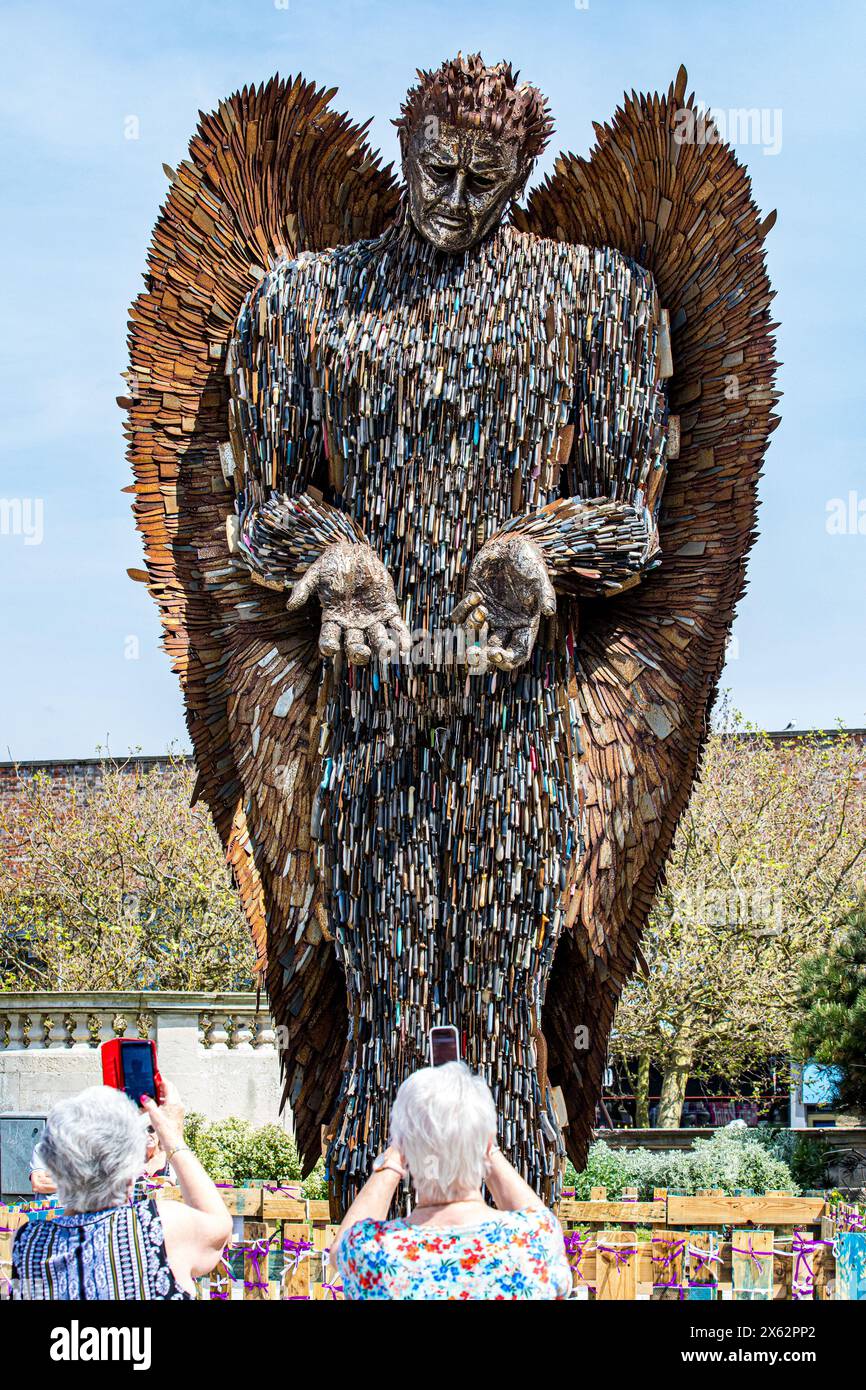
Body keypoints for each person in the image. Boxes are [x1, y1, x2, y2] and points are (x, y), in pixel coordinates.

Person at [331, 1062, 572, 1300]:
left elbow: (340, 1248)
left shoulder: (370, 1252)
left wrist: (393, 1158)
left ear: (403, 1146)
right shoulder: (535, 1241)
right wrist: (487, 1148)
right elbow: (541, 1219)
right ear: (488, 1143)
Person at [11, 1079, 232, 1299]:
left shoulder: (30, 1243)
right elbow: (219, 1226)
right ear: (129, 1169)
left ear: (54, 1167)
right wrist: (172, 1135)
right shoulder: (156, 1227)